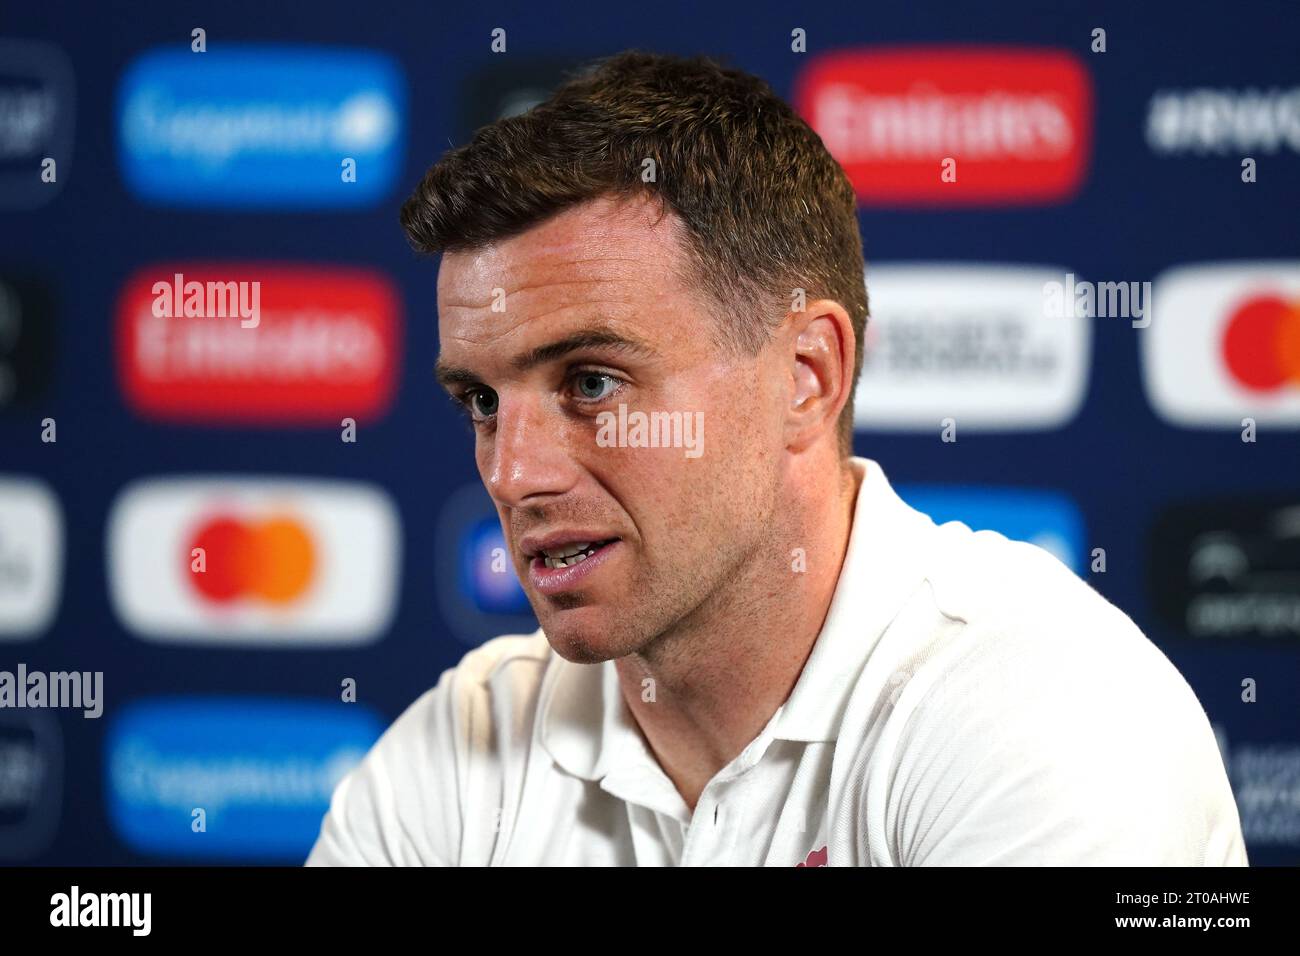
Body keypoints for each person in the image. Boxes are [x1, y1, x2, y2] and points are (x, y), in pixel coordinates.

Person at [306, 51, 1247, 866]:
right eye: (480, 402)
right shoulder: (463, 747)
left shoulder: (1049, 711)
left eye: (591, 384)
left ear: (807, 376)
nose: (514, 475)